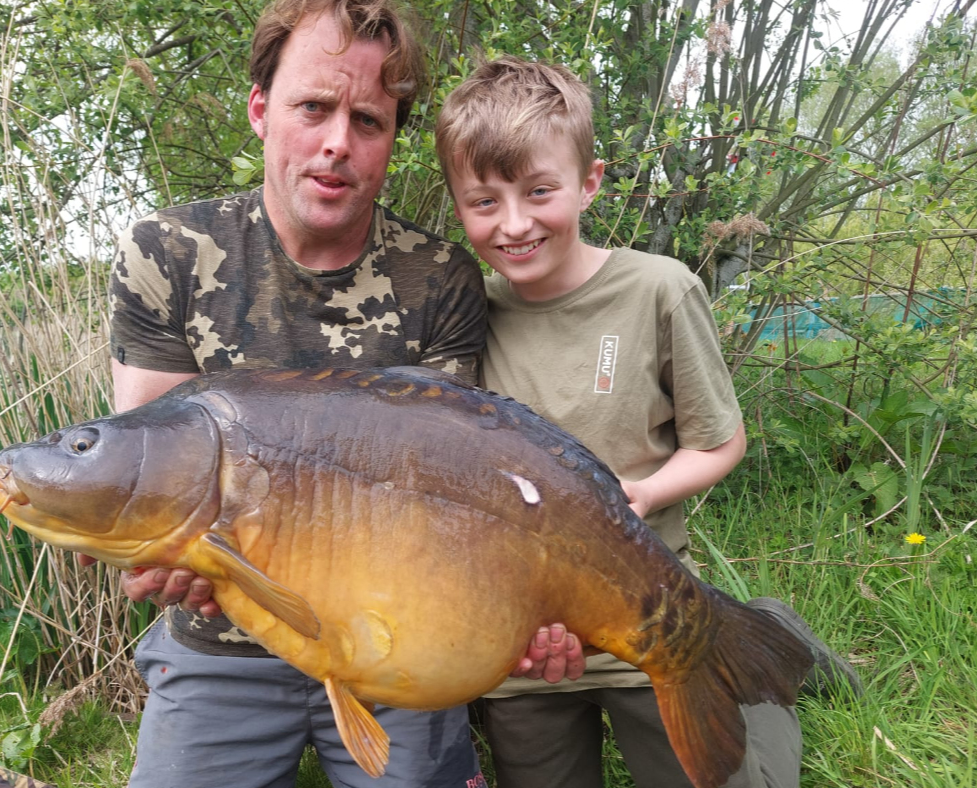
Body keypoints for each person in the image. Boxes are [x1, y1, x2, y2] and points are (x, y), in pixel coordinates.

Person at [99, 4, 583, 786]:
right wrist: (162, 555)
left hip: (391, 641)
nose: (337, 143)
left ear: (392, 141)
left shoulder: (439, 278)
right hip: (218, 641)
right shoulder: (170, 254)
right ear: (260, 109)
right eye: (313, 107)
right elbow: (150, 477)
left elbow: (458, 493)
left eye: (368, 120)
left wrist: (525, 607)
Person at [435, 55, 862, 788]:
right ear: (457, 203)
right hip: (529, 648)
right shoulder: (463, 311)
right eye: (484, 202)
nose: (514, 223)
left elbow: (720, 441)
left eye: (540, 191)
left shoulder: (660, 290)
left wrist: (643, 496)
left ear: (589, 181)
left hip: (657, 614)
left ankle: (768, 670)